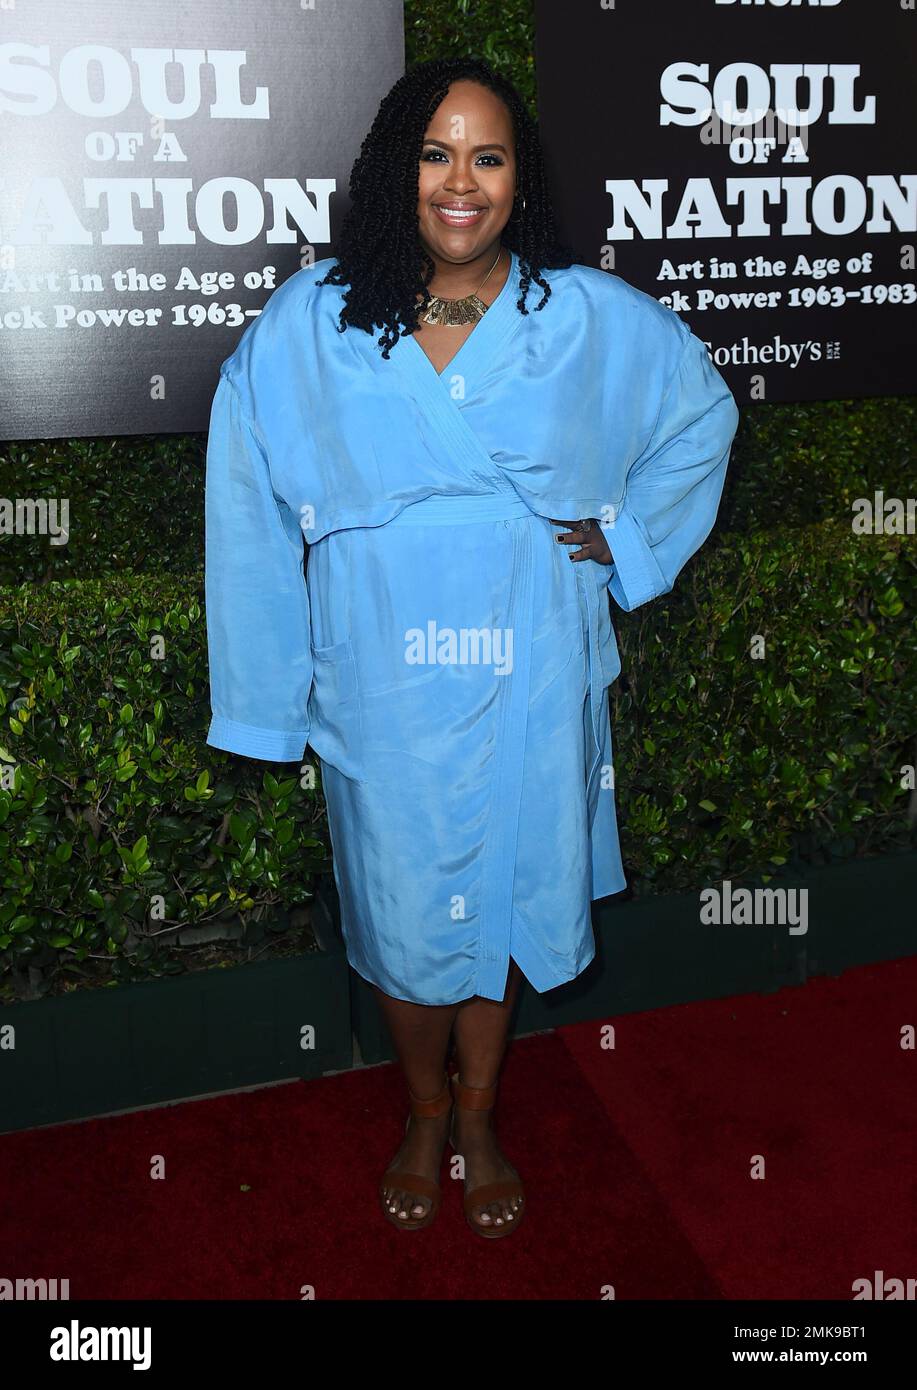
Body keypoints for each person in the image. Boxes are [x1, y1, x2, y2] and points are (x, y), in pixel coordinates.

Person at [203, 57, 740, 1240]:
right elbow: (243, 497)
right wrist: (264, 692)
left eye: (486, 156)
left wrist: (627, 538)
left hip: (533, 664)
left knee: (501, 896)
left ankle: (483, 1114)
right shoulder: (311, 319)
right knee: (400, 914)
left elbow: (702, 412)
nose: (460, 181)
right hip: (380, 673)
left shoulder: (582, 317)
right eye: (435, 153)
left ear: (516, 179)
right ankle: (422, 1111)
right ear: (399, 172)